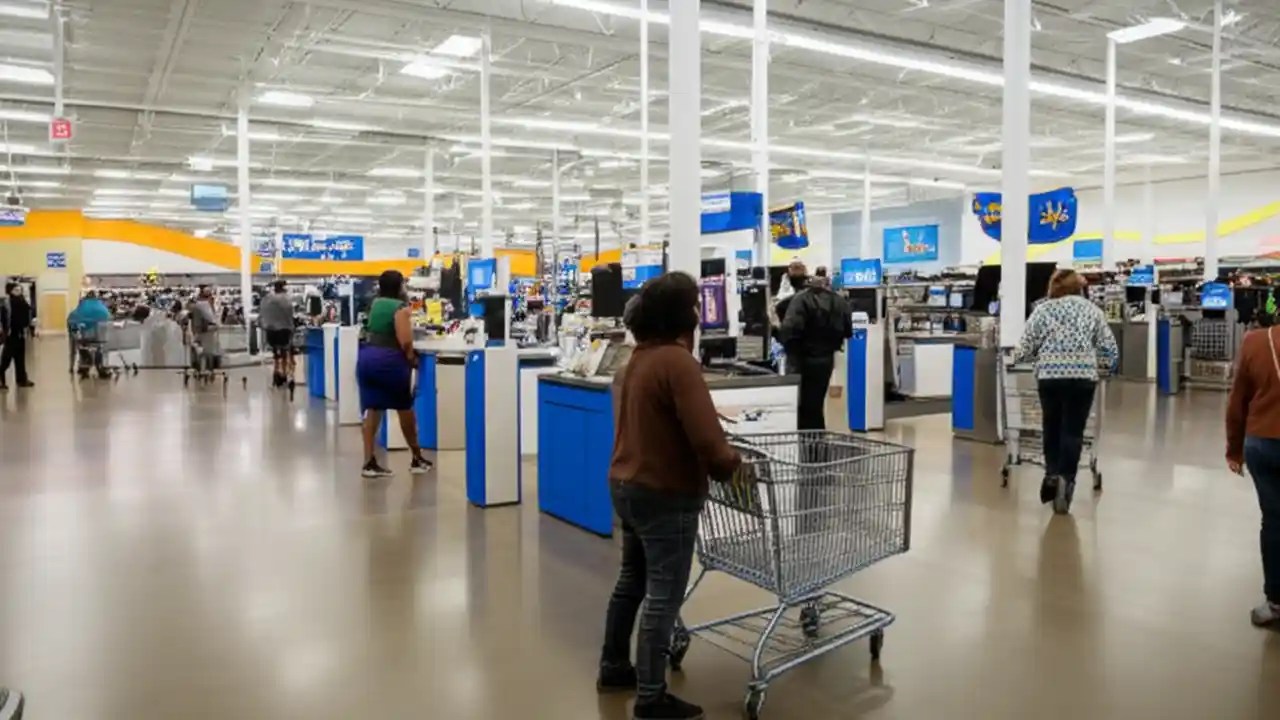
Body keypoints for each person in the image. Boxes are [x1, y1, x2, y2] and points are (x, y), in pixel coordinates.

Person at [598, 271, 742, 720]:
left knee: (632, 582)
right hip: (665, 492)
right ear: (683, 316)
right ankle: (651, 695)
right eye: (695, 308)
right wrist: (732, 467)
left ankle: (614, 665)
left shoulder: (636, 359)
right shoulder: (678, 363)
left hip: (626, 484)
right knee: (664, 593)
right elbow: (707, 440)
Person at [1014, 269, 1118, 514]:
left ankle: (1051, 472)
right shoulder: (1091, 310)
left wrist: (1022, 358)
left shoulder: (1043, 310)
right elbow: (1108, 346)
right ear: (1078, 287)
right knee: (1073, 430)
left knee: (1051, 427)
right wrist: (1107, 365)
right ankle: (1066, 480)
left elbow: (1025, 348)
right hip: (1082, 377)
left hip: (1050, 376)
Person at [1226, 314, 1280, 628]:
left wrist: (1234, 449)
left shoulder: (1256, 341)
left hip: (1263, 442)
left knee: (1274, 520)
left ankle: (1274, 602)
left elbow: (1238, 402)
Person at [356, 270, 432, 478]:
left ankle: (369, 462)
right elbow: (405, 340)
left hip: (367, 359)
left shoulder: (375, 304)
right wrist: (412, 359)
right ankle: (416, 458)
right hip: (389, 362)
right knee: (404, 408)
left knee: (373, 409)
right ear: (399, 287)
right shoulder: (400, 309)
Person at [779, 274, 853, 431]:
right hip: (826, 359)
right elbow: (848, 331)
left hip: (801, 359)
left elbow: (789, 330)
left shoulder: (800, 300)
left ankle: (804, 442)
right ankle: (817, 439)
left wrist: (785, 344)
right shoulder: (840, 302)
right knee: (816, 403)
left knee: (800, 404)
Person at [259, 280, 296, 388]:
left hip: (271, 330)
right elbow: (290, 314)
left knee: (275, 353)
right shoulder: (286, 299)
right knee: (284, 352)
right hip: (284, 329)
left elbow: (262, 314)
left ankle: (275, 372)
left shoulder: (266, 299)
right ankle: (283, 374)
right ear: (283, 288)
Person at [67, 291, 113, 378]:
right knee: (100, 349)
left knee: (80, 347)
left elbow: (72, 321)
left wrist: (75, 333)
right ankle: (100, 367)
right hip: (100, 336)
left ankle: (80, 367)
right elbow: (109, 320)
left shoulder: (80, 309)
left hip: (84, 336)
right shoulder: (102, 308)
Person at [0, 282, 34, 390]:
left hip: (20, 334)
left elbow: (28, 311)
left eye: (20, 290)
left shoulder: (21, 301)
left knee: (20, 359)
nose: (19, 292)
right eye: (16, 290)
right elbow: (6, 319)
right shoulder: (7, 303)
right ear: (10, 291)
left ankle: (22, 380)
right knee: (6, 360)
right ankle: (2, 380)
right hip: (11, 335)